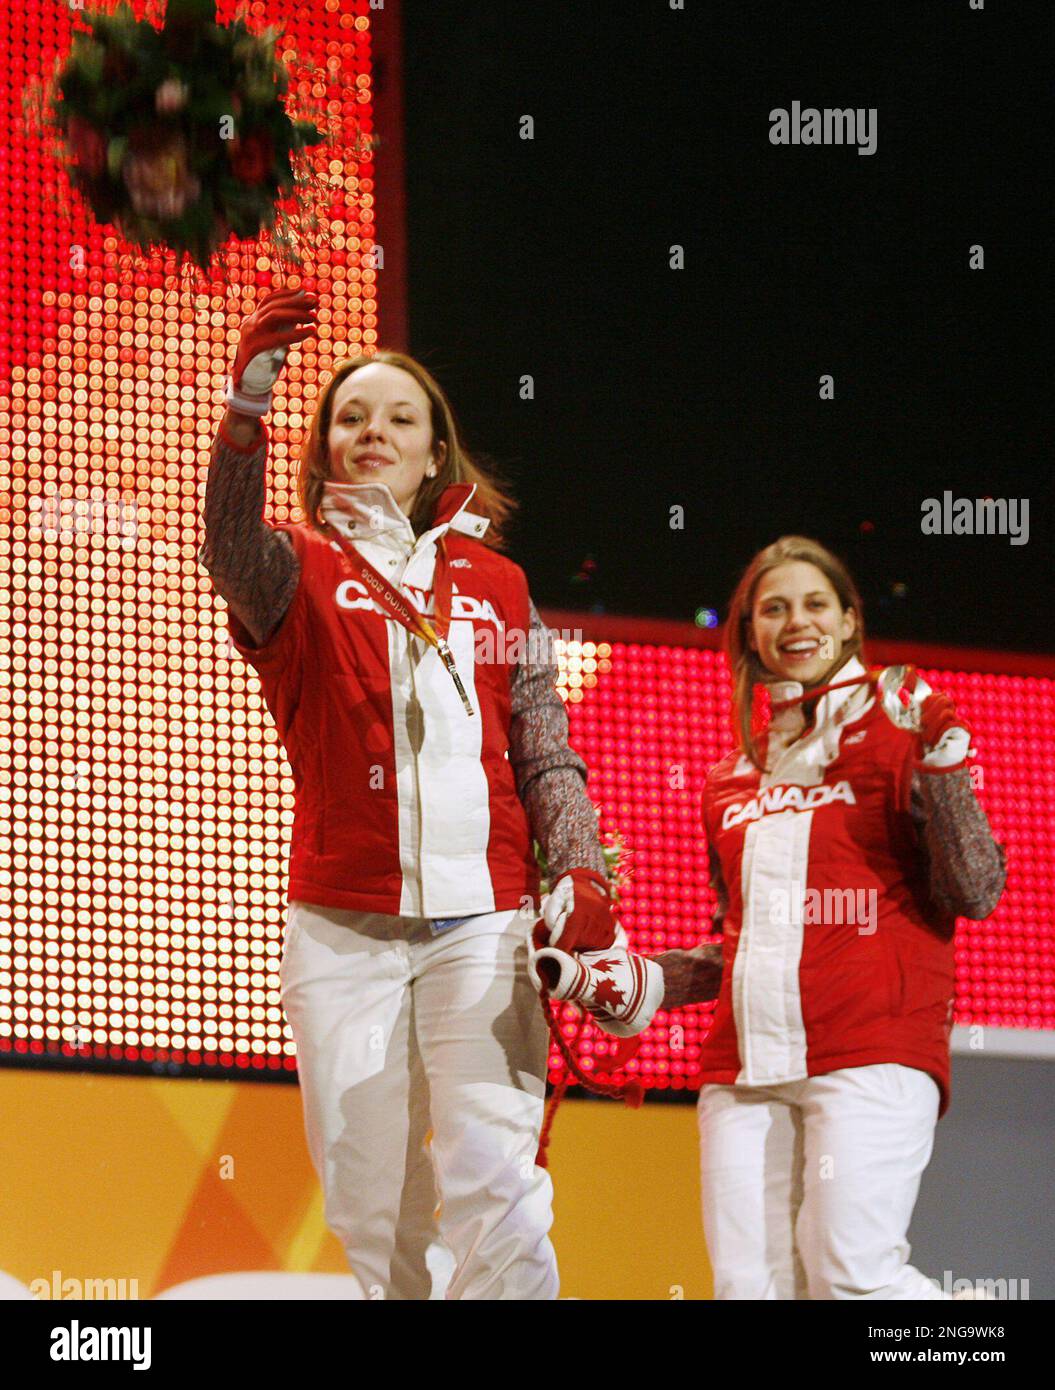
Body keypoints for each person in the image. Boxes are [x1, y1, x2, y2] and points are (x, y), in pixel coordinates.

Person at [199, 287, 622, 1299]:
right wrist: (245, 408)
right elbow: (224, 545)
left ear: (436, 450)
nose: (372, 431)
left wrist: (579, 867)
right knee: (371, 1204)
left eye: (398, 416)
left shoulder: (498, 583)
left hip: (485, 917)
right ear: (326, 449)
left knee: (496, 1180)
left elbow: (542, 744)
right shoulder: (294, 568)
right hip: (342, 925)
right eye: (350, 417)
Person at [529, 535, 1007, 1300]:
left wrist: (944, 758)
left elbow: (975, 889)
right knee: (751, 1293)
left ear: (850, 621)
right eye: (772, 608)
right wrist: (639, 979)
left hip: (869, 1050)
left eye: (815, 604)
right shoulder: (727, 779)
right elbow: (741, 945)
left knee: (852, 1279)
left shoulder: (899, 737)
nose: (795, 621)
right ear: (748, 630)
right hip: (744, 1070)